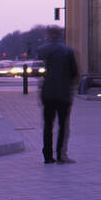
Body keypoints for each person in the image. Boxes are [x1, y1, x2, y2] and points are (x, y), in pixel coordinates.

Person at [36, 32, 80, 163]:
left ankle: (48, 156)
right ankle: (61, 155)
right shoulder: (68, 51)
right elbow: (75, 73)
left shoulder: (41, 51)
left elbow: (35, 71)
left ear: (48, 36)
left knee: (48, 126)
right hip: (63, 94)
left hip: (48, 94)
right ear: (60, 36)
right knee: (63, 125)